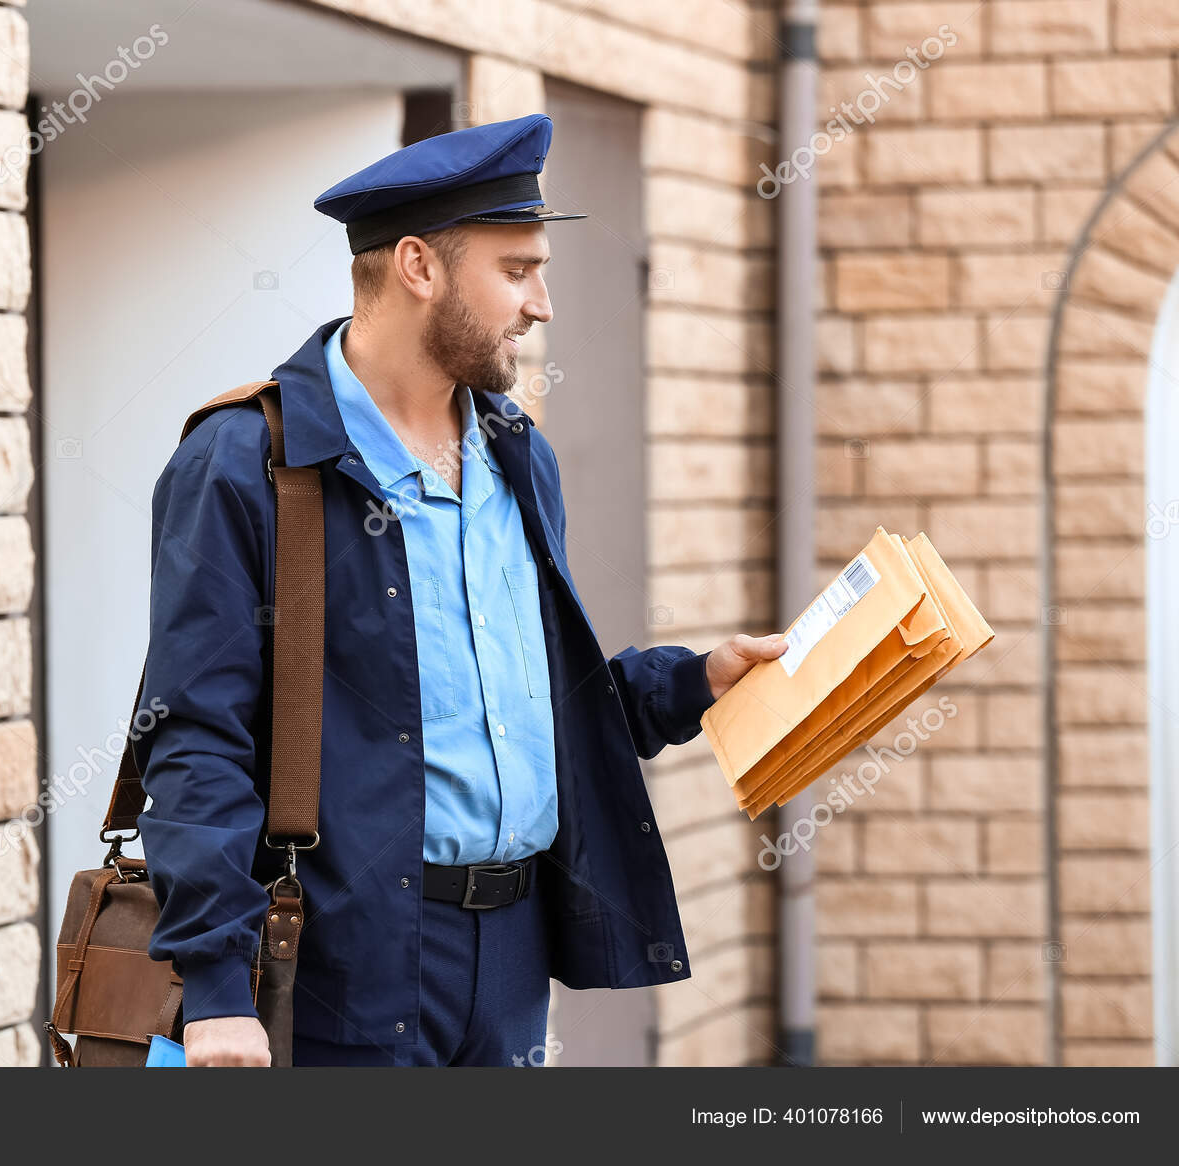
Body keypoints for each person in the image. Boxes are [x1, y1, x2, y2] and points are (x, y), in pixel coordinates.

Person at [131, 114, 787, 1067]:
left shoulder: (518, 454)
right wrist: (217, 987)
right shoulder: (247, 464)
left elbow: (515, 701)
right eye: (517, 270)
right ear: (419, 267)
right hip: (340, 971)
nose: (543, 303)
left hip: (514, 962)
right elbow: (195, 740)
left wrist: (690, 683)